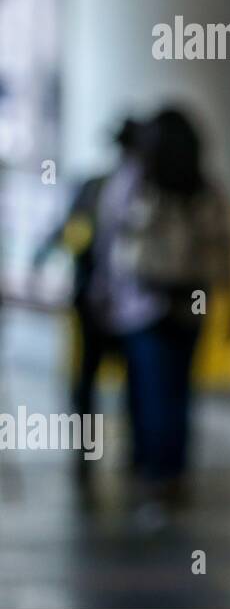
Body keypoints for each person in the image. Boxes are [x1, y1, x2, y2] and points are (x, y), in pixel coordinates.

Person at [90, 108, 230, 506]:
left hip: (141, 303)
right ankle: (174, 472)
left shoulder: (135, 182)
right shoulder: (206, 187)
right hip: (192, 301)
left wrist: (103, 293)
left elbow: (110, 241)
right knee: (179, 392)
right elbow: (225, 247)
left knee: (148, 390)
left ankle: (152, 470)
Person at [31, 118, 141, 447]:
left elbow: (66, 228)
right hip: (111, 298)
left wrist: (42, 256)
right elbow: (69, 227)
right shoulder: (104, 187)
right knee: (111, 377)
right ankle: (117, 449)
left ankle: (93, 447)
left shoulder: (99, 185)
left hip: (104, 296)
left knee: (93, 376)